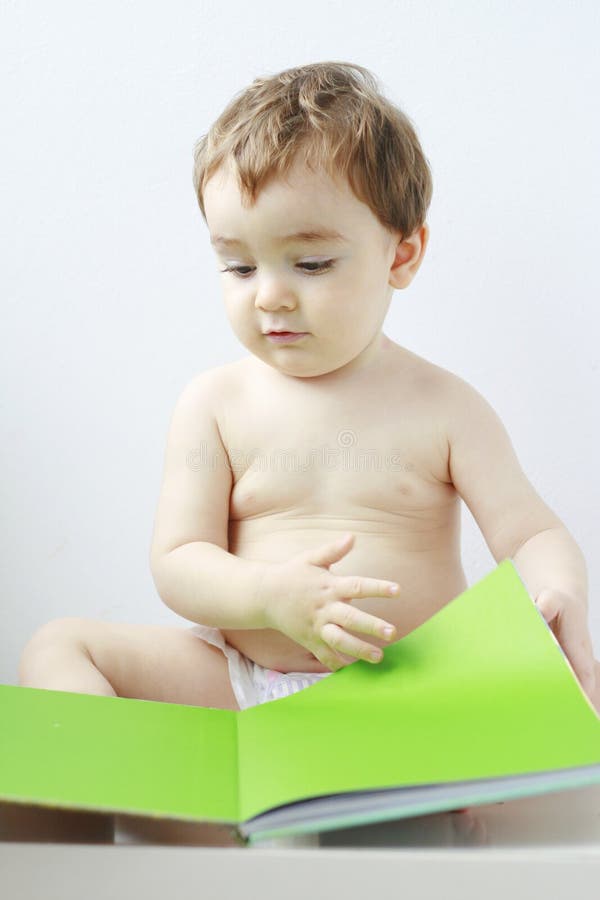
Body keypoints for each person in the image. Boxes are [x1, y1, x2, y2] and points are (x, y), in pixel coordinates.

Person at [12, 61, 600, 845]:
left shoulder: (445, 407)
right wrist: (268, 598)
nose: (269, 295)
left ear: (402, 254)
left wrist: (556, 592)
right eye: (238, 264)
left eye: (311, 264)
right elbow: (179, 560)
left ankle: (271, 820)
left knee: (515, 784)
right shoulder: (215, 404)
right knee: (61, 646)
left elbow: (530, 533)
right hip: (236, 688)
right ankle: (83, 847)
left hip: (398, 697)